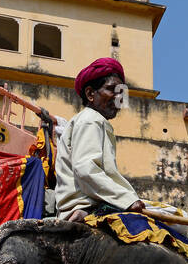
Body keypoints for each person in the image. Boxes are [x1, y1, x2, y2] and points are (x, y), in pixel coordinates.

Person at [52, 57, 147, 223]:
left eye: (121, 92)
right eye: (112, 90)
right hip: (86, 205)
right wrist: (127, 200)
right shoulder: (91, 120)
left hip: (94, 202)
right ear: (90, 94)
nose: (119, 98)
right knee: (174, 216)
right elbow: (86, 169)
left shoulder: (93, 121)